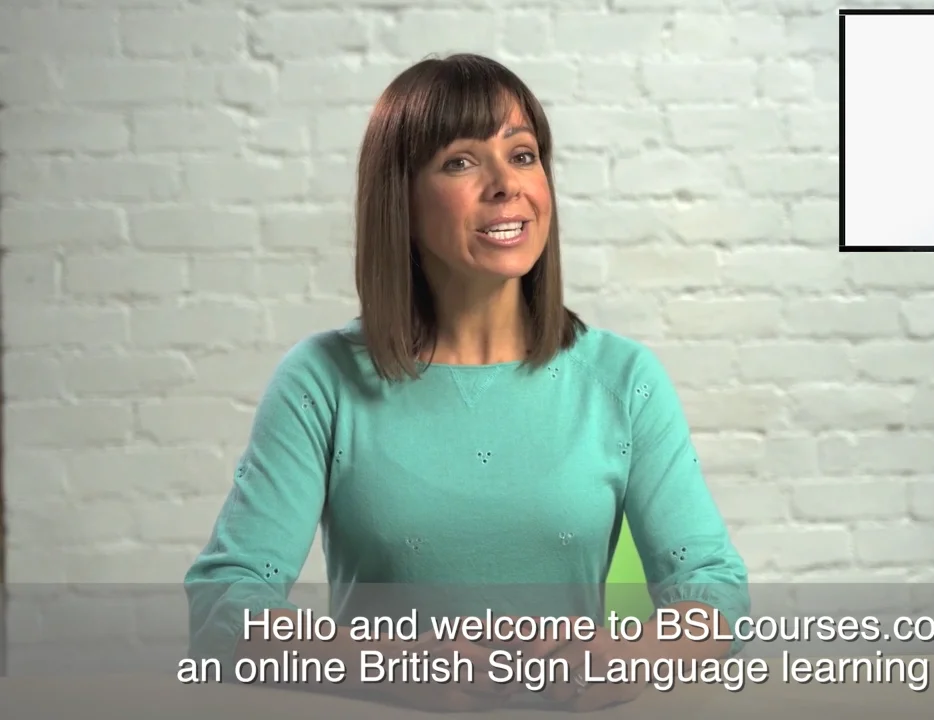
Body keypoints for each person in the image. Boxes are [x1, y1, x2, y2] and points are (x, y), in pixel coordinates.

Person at [183, 53, 750, 713]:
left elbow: (714, 588)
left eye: (523, 155)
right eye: (461, 162)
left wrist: (639, 653)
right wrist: (389, 666)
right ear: (400, 197)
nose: (507, 185)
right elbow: (224, 608)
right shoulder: (321, 381)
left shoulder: (624, 380)